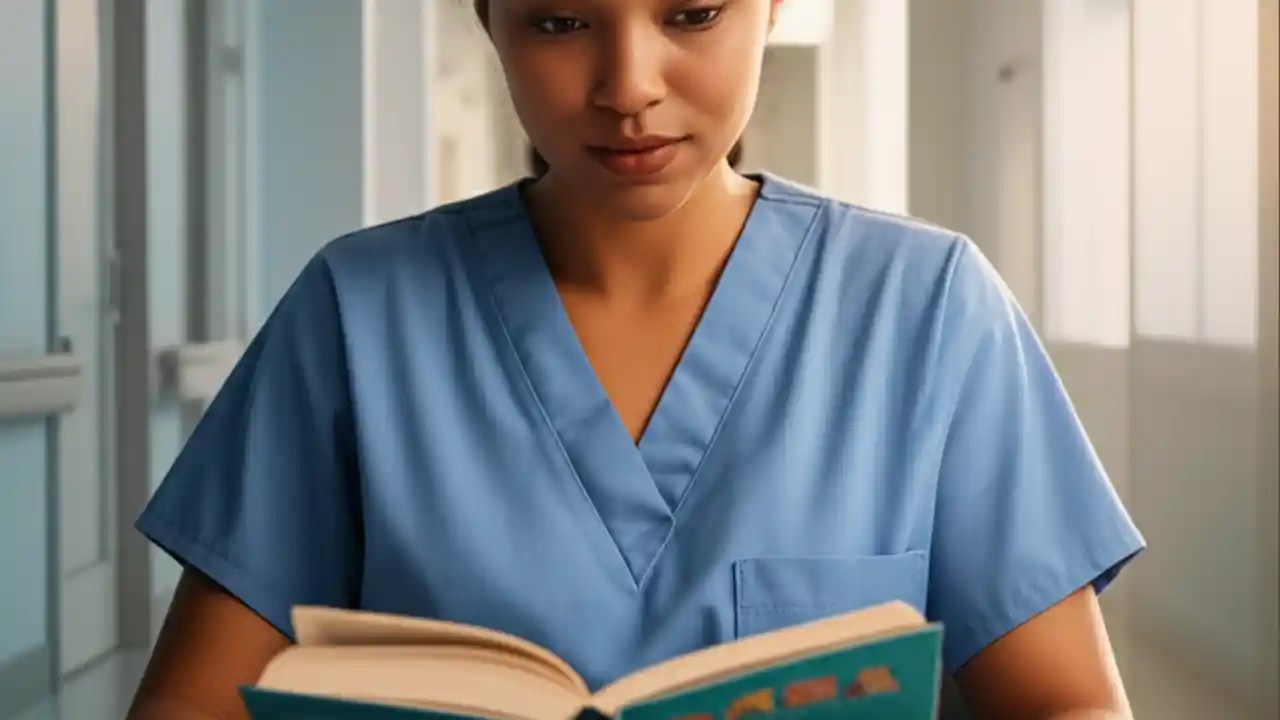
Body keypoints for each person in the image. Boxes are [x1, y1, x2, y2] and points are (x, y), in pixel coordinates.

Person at [127, 1, 1146, 718]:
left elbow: (1068, 703)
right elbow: (188, 703)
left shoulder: (926, 308)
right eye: (560, 23)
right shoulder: (356, 311)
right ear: (488, 20)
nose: (628, 88)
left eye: (692, 13)